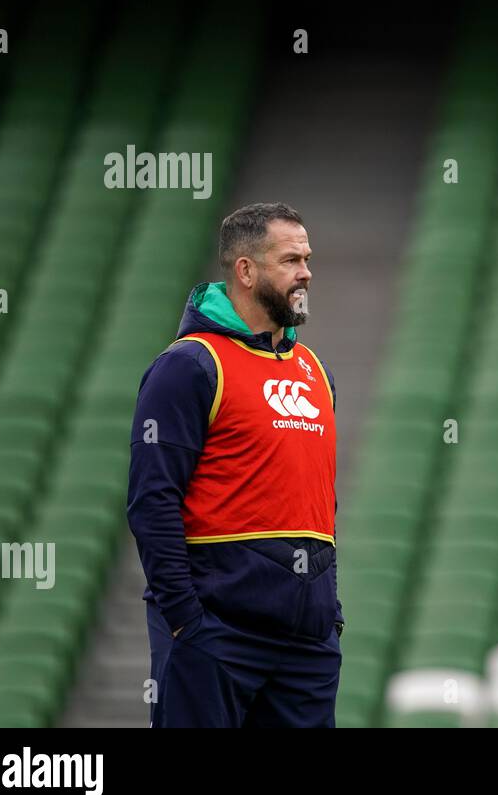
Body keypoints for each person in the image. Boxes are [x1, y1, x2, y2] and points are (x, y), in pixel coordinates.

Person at [127, 202, 343, 727]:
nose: (306, 272)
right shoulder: (189, 366)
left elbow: (318, 500)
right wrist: (185, 620)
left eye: (308, 258)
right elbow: (152, 501)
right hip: (215, 635)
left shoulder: (315, 370)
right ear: (245, 270)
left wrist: (328, 617)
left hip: (306, 644)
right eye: (291, 259)